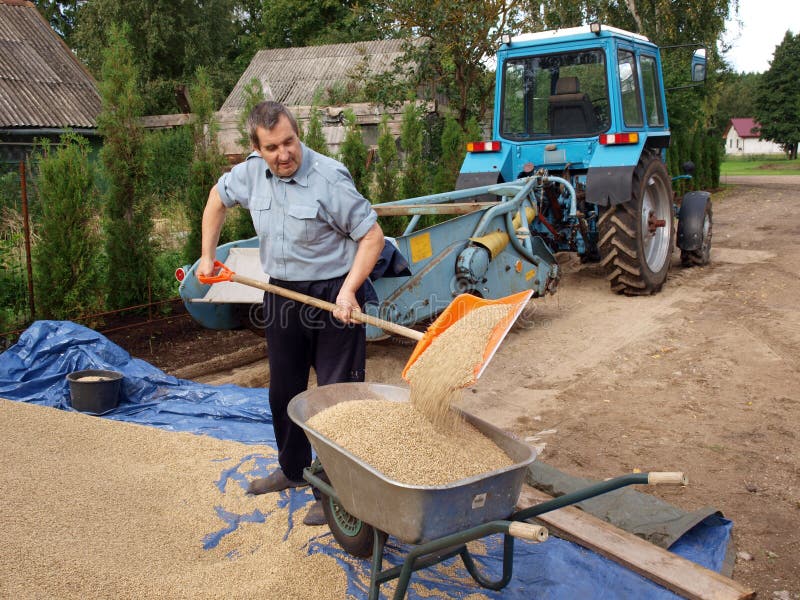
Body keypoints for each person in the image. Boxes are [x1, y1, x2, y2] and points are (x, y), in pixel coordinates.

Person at [197, 101, 384, 526]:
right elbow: (216, 199)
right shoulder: (248, 174)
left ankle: (339, 492)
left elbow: (372, 237)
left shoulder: (328, 177)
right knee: (285, 391)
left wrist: (349, 291)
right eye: (272, 147)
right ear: (256, 148)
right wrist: (207, 255)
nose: (284, 154)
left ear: (297, 135)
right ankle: (293, 468)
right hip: (281, 293)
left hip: (333, 295)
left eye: (289, 142)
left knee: (337, 400)